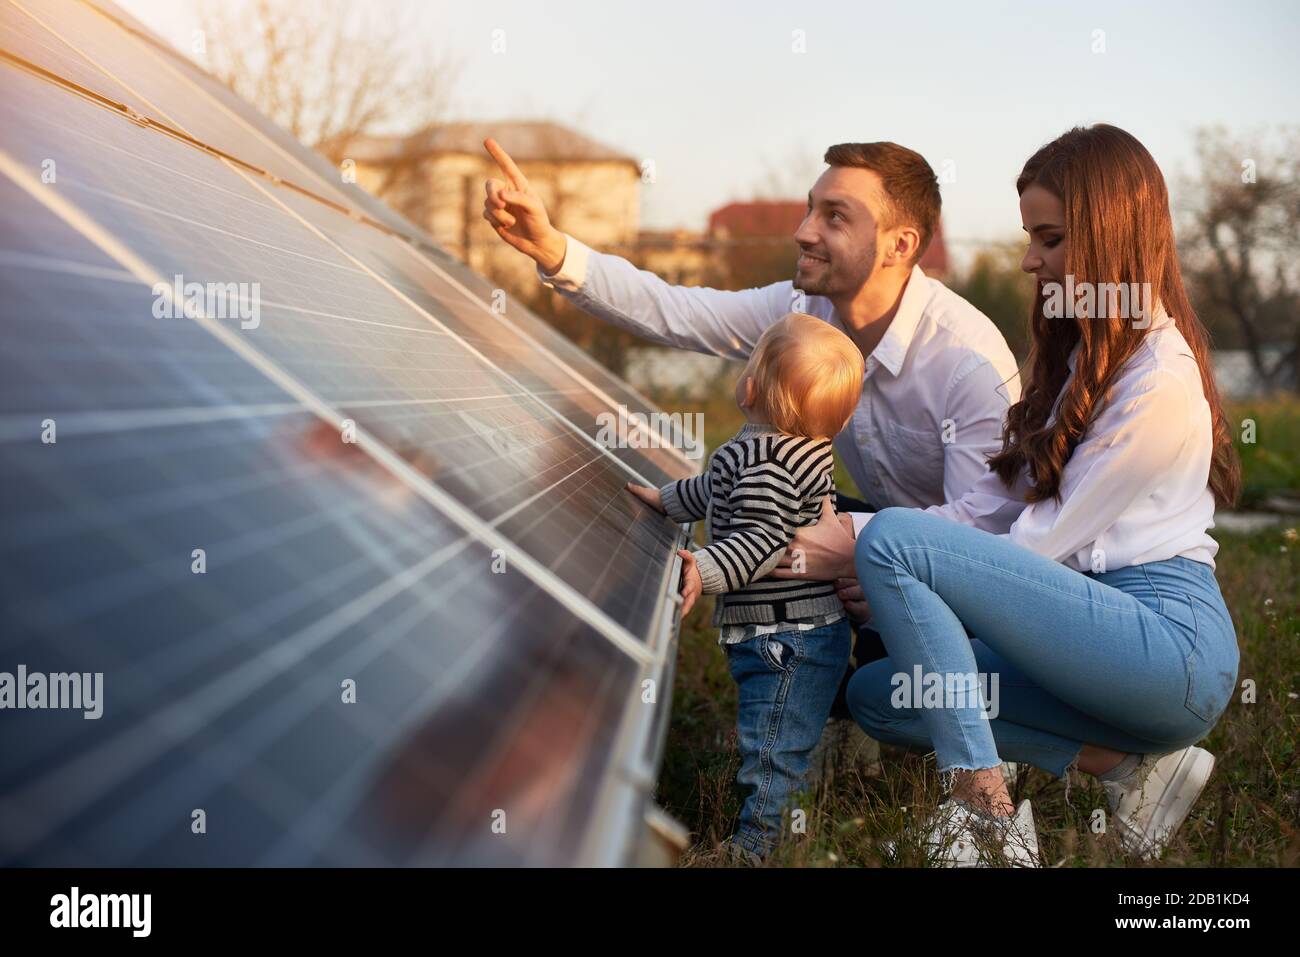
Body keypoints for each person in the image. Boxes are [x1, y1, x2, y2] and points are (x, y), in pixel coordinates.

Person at [481, 135, 1021, 730]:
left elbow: (988, 528)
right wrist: (554, 250)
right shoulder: (799, 316)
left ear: (901, 244)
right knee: (761, 508)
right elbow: (675, 311)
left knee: (871, 617)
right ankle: (797, 703)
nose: (804, 231)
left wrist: (868, 552)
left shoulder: (968, 361)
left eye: (834, 216)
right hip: (879, 546)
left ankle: (970, 724)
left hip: (974, 581)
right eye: (810, 207)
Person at [842, 124, 1241, 866]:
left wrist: (885, 557)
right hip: (1090, 637)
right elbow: (999, 507)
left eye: (1050, 239)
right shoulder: (1089, 360)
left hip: (1166, 649)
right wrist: (883, 562)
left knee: (892, 540)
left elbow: (1042, 546)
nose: (1031, 259)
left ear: (1109, 234)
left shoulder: (1158, 382)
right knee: (882, 693)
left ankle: (985, 813)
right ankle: (1135, 770)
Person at [626, 313, 863, 859]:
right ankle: (787, 818)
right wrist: (665, 500)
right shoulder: (774, 450)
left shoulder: (767, 463)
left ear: (751, 385)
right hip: (794, 633)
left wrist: (702, 569)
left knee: (774, 745)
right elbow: (712, 488)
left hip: (786, 638)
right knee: (777, 732)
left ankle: (759, 846)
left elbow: (762, 541)